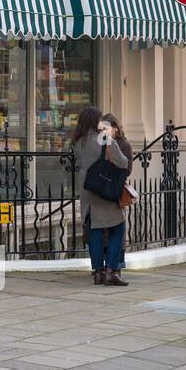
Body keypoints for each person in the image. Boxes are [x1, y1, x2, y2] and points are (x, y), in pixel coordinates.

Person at [71, 106, 130, 287]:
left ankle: (98, 272)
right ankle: (112, 270)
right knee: (117, 229)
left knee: (94, 231)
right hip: (104, 189)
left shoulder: (77, 142)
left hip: (87, 191)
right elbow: (123, 161)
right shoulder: (103, 138)